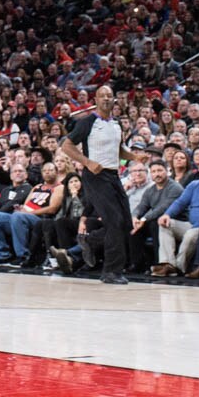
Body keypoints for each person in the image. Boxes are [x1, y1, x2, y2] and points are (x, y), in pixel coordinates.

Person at [59, 85, 135, 284]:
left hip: (113, 175)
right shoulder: (88, 122)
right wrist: (87, 162)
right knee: (114, 221)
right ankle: (111, 271)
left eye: (110, 95)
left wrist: (136, 156)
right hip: (95, 176)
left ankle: (89, 242)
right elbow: (66, 145)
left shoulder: (116, 124)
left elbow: (119, 150)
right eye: (103, 96)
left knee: (126, 223)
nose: (107, 99)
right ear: (96, 100)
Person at [153, 153, 199, 276]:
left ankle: (178, 267)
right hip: (191, 224)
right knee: (165, 225)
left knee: (191, 234)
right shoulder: (194, 185)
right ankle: (167, 263)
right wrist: (167, 214)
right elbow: (180, 202)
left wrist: (196, 226)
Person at [129, 160, 183, 271]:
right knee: (133, 227)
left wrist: (143, 219)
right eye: (153, 171)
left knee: (155, 224)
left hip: (174, 221)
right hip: (154, 219)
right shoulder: (150, 190)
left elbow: (162, 208)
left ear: (167, 171)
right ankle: (137, 263)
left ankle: (158, 263)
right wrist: (135, 217)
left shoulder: (175, 188)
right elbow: (141, 206)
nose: (157, 174)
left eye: (160, 170)